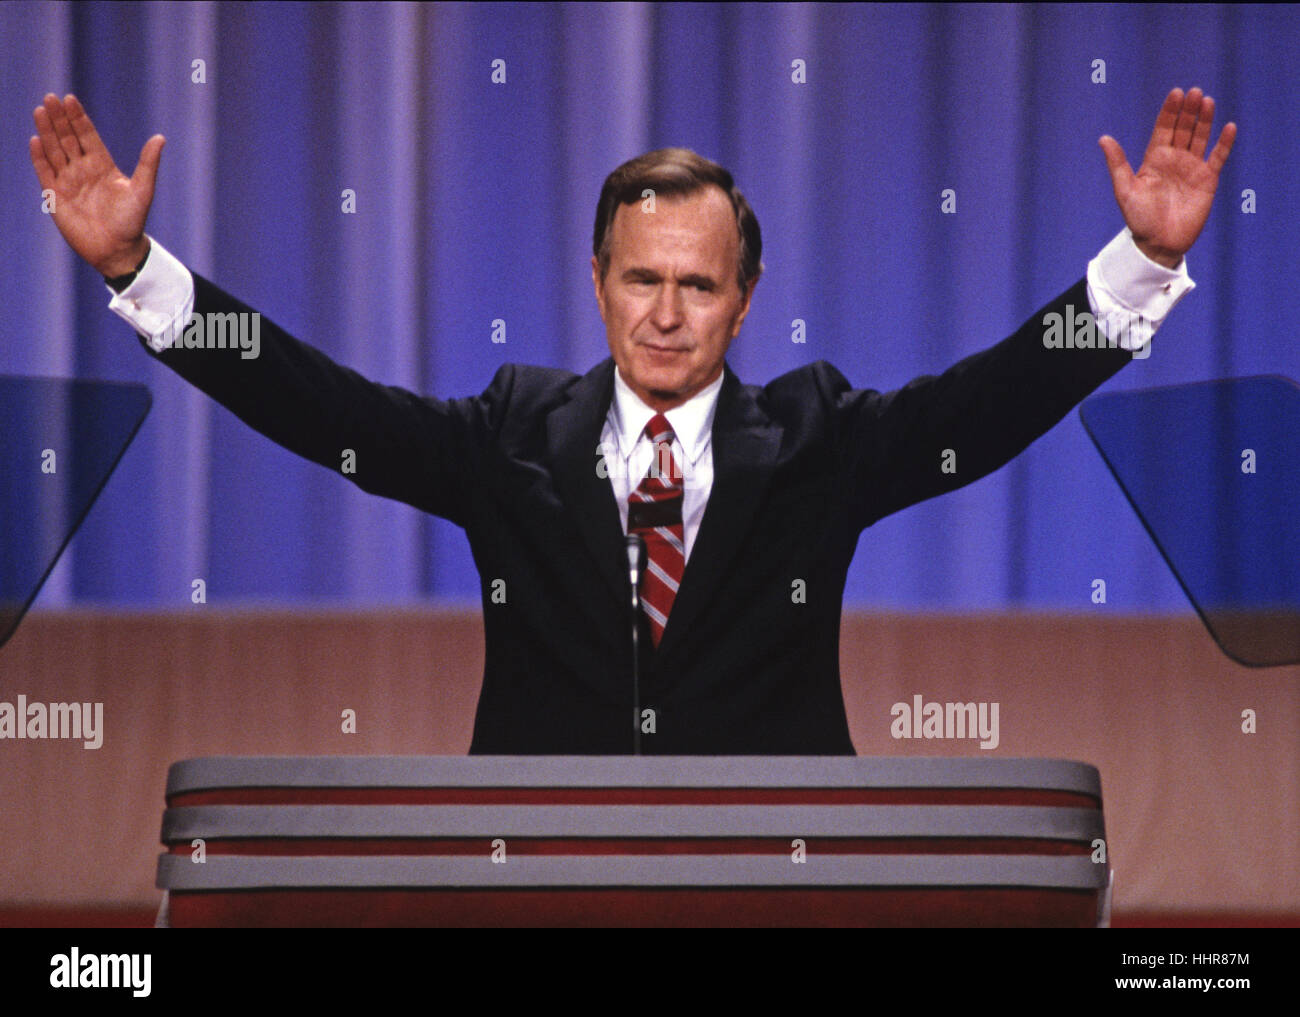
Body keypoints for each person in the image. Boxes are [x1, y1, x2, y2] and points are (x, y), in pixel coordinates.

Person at [29, 89, 1235, 754]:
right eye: (640, 280)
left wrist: (1137, 263)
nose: (664, 315)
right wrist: (142, 273)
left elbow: (994, 402)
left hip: (778, 885)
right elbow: (314, 402)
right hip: (538, 877)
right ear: (597, 281)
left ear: (744, 301)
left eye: (697, 285)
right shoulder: (508, 435)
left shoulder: (817, 441)